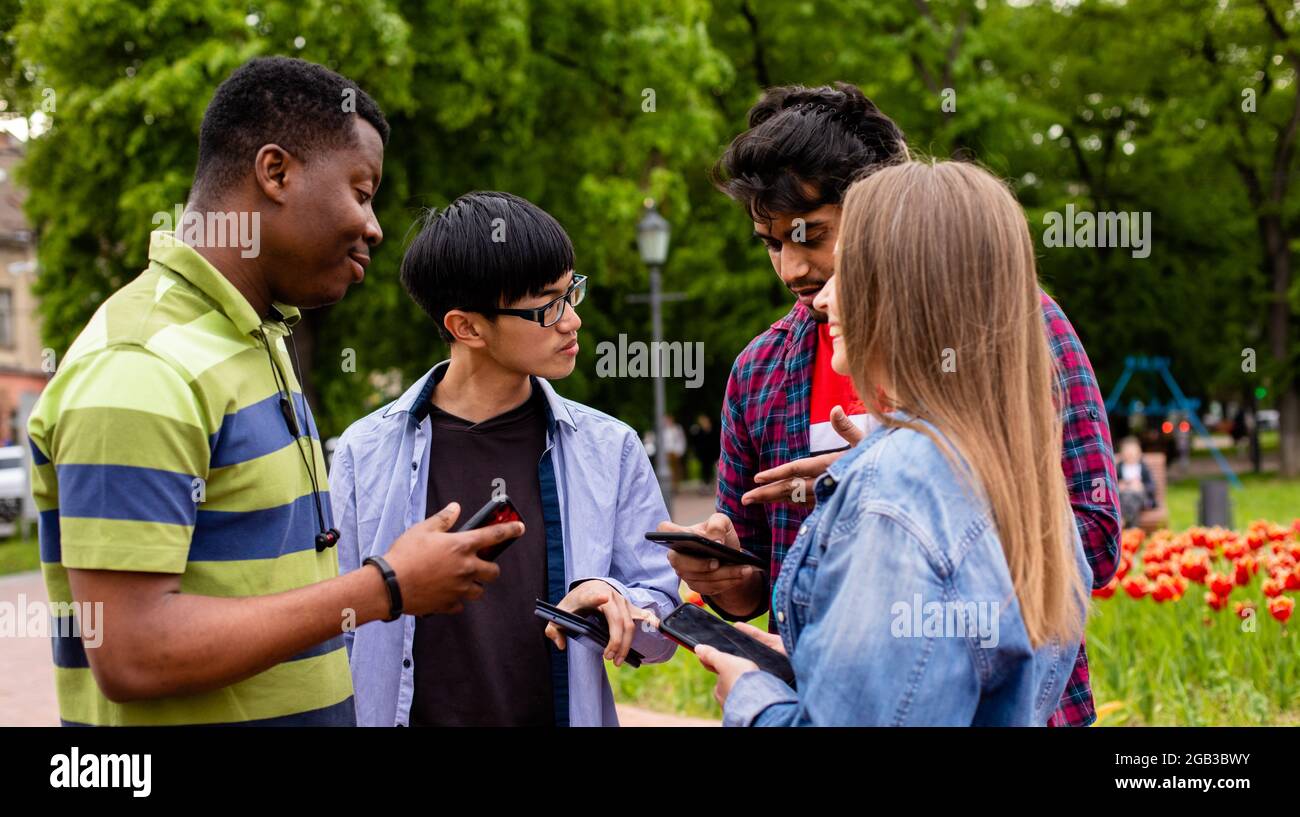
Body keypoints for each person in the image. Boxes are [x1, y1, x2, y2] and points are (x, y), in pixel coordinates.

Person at [25, 57, 520, 726]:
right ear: (275, 172)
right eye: (362, 190)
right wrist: (388, 585)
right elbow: (133, 651)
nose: (374, 226)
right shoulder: (143, 364)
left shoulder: (255, 341)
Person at [662, 82, 1120, 726]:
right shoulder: (760, 371)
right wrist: (734, 584)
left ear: (888, 215)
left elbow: (1089, 543)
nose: (795, 272)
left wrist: (899, 488)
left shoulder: (1017, 329)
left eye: (813, 236)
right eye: (771, 243)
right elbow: (778, 578)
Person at [331, 191, 679, 727]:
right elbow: (336, 628)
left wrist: (617, 600)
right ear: (467, 327)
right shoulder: (366, 452)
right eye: (547, 306)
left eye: (571, 294)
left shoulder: (609, 448)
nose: (571, 322)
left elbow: (662, 624)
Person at [1115, 437, 1157, 528]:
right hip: (1124, 499)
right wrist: (1118, 486)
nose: (1130, 454)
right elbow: (1112, 486)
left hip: (1142, 500)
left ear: (1139, 453)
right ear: (1122, 453)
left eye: (1133, 451)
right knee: (1128, 496)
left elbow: (1152, 487)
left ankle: (1124, 521)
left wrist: (1141, 486)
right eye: (1127, 451)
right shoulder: (1118, 468)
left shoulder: (1144, 468)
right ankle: (1133, 528)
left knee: (1132, 495)